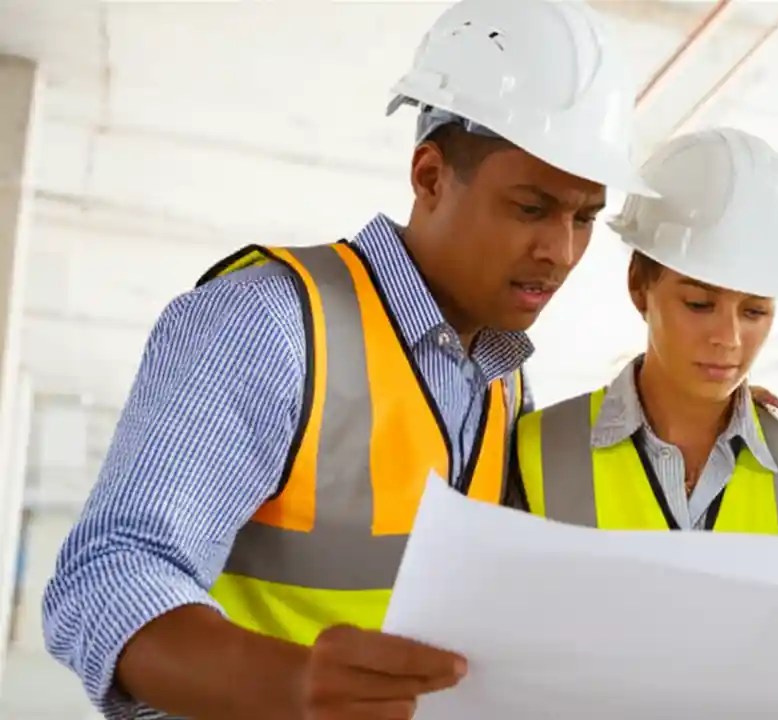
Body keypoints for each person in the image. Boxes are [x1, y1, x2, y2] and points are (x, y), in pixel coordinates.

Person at [41, 1, 651, 718]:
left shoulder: (502, 381)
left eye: (584, 218)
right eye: (530, 208)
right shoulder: (269, 326)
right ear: (430, 177)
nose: (562, 251)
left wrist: (706, 414)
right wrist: (289, 685)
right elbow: (107, 577)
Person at [511, 127, 778, 540]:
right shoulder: (538, 448)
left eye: (754, 311)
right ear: (639, 286)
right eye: (699, 304)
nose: (729, 339)